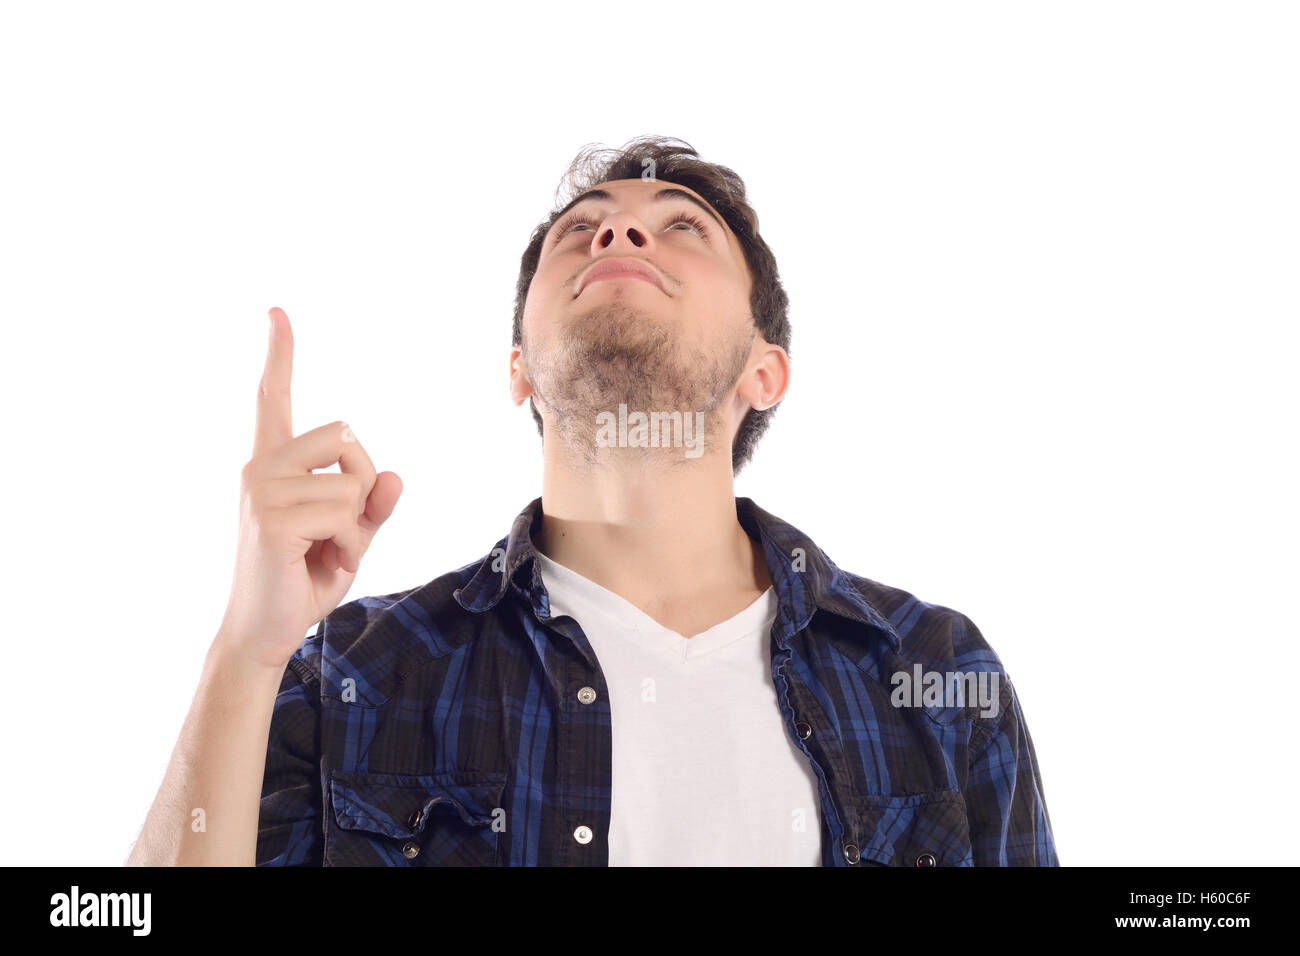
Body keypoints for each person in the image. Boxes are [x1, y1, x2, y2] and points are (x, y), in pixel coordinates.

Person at [127, 135, 1058, 867]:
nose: (617, 234)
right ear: (520, 372)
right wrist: (247, 653)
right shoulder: (354, 677)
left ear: (764, 371)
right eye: (583, 229)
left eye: (683, 226)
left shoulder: (937, 677)